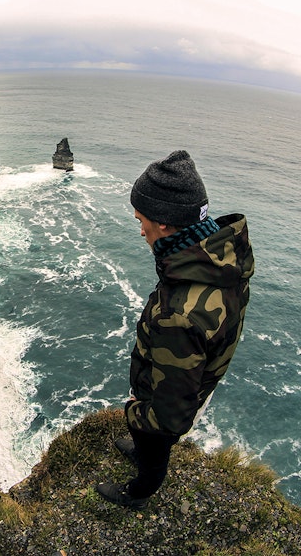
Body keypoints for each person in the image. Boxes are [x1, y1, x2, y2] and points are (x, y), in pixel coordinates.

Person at [96, 150, 255, 509]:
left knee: (156, 440)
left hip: (171, 390)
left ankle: (139, 491)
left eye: (142, 220)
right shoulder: (219, 259)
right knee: (149, 433)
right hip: (198, 374)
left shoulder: (179, 315)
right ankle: (142, 448)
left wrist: (134, 412)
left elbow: (171, 418)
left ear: (165, 223)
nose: (140, 231)